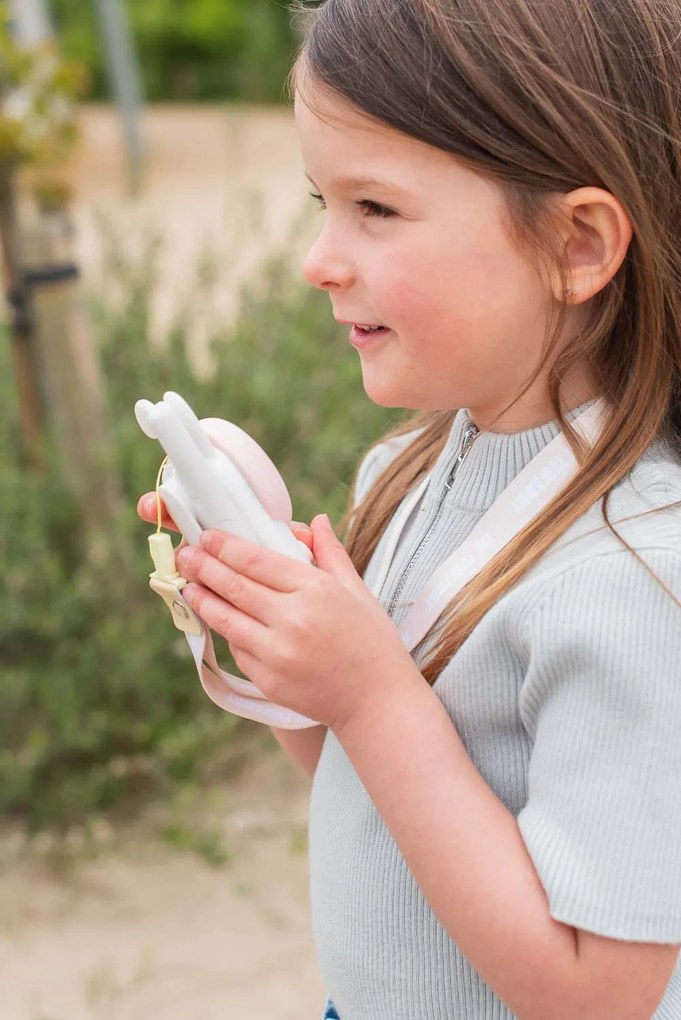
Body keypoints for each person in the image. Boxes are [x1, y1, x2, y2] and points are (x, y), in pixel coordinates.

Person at [138, 0, 681, 1015]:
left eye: (375, 209)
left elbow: (602, 991)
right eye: (323, 201)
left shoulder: (638, 575)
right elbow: (369, 788)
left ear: (576, 245)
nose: (318, 259)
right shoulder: (406, 471)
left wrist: (374, 697)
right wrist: (273, 615)